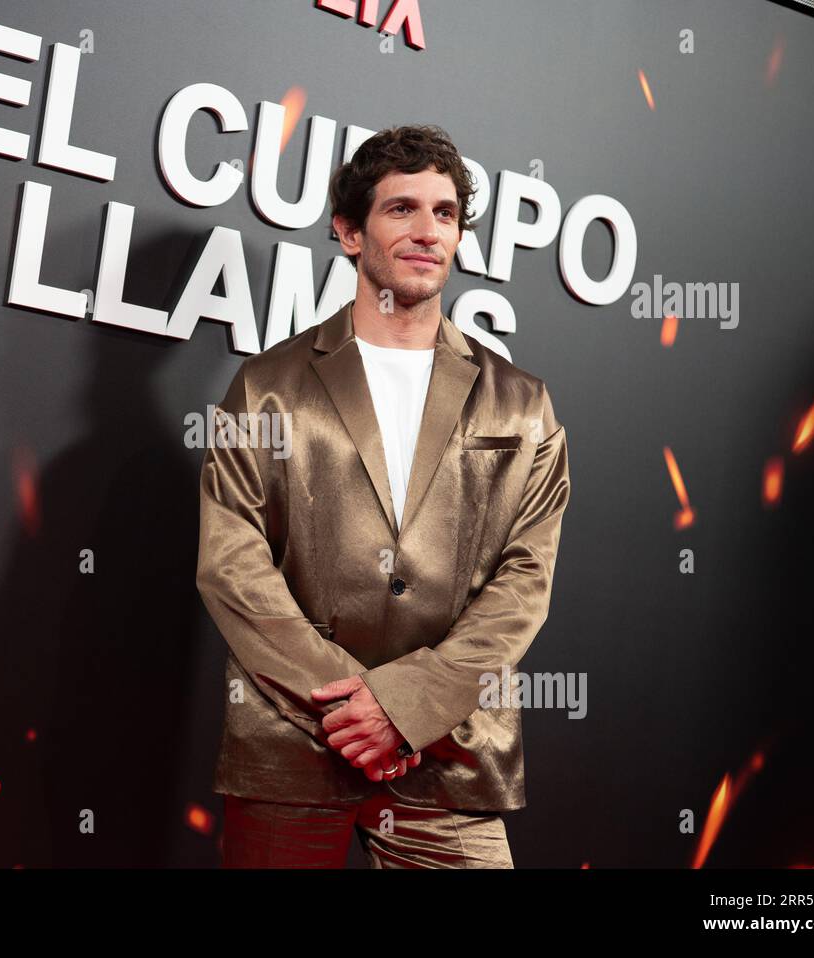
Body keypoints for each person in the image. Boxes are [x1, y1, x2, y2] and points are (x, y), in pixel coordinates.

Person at [195, 124, 571, 868]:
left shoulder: (522, 402)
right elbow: (232, 566)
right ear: (348, 232)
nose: (427, 231)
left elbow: (524, 586)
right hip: (292, 744)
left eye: (445, 213)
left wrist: (407, 709)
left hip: (451, 752)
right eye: (401, 209)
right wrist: (349, 707)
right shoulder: (268, 386)